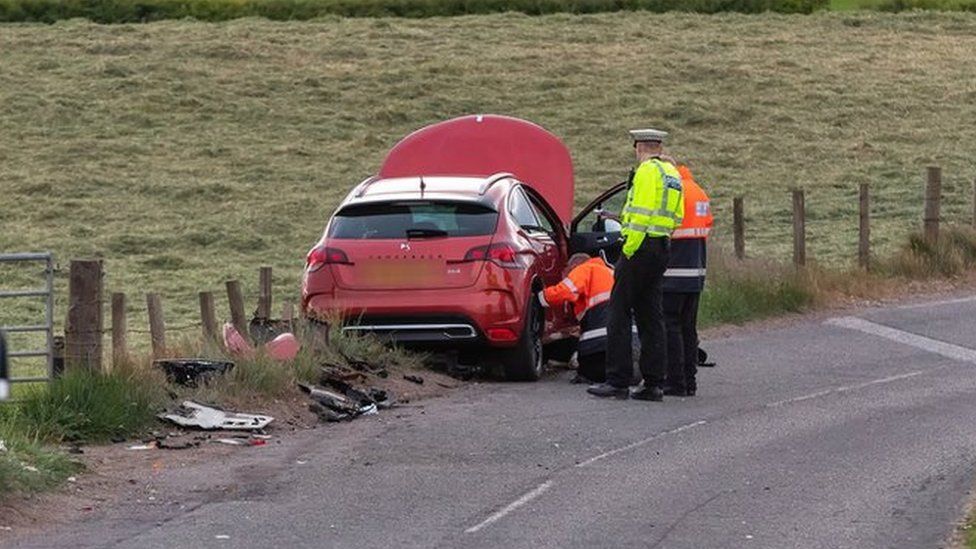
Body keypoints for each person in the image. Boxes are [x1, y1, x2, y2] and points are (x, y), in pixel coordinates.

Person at [588, 128, 684, 401]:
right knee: (651, 315)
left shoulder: (645, 172)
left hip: (639, 248)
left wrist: (628, 249)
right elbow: (678, 215)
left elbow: (639, 215)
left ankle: (617, 380)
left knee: (618, 311)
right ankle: (653, 383)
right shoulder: (672, 174)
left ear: (639, 147)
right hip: (662, 246)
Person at [662, 164, 713, 397]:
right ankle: (690, 380)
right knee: (688, 327)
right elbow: (707, 226)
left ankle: (675, 381)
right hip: (696, 270)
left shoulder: (674, 191)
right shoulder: (699, 192)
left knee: (670, 325)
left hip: (674, 270)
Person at [538, 252, 615, 383]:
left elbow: (564, 291)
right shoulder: (610, 271)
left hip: (601, 340)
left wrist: (540, 297)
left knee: (586, 363)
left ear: (573, 266)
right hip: (625, 343)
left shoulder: (584, 269)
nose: (564, 273)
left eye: (566, 269)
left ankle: (590, 374)